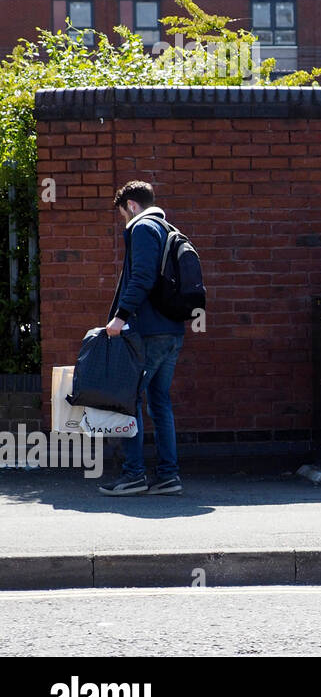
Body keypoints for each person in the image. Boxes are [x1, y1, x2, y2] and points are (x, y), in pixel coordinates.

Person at [97, 181, 186, 496]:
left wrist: (120, 317)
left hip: (149, 332)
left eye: (123, 213)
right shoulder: (166, 228)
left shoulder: (142, 228)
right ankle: (168, 476)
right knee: (159, 402)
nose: (124, 219)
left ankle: (134, 474)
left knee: (129, 399)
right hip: (172, 331)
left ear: (131, 205)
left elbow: (143, 276)